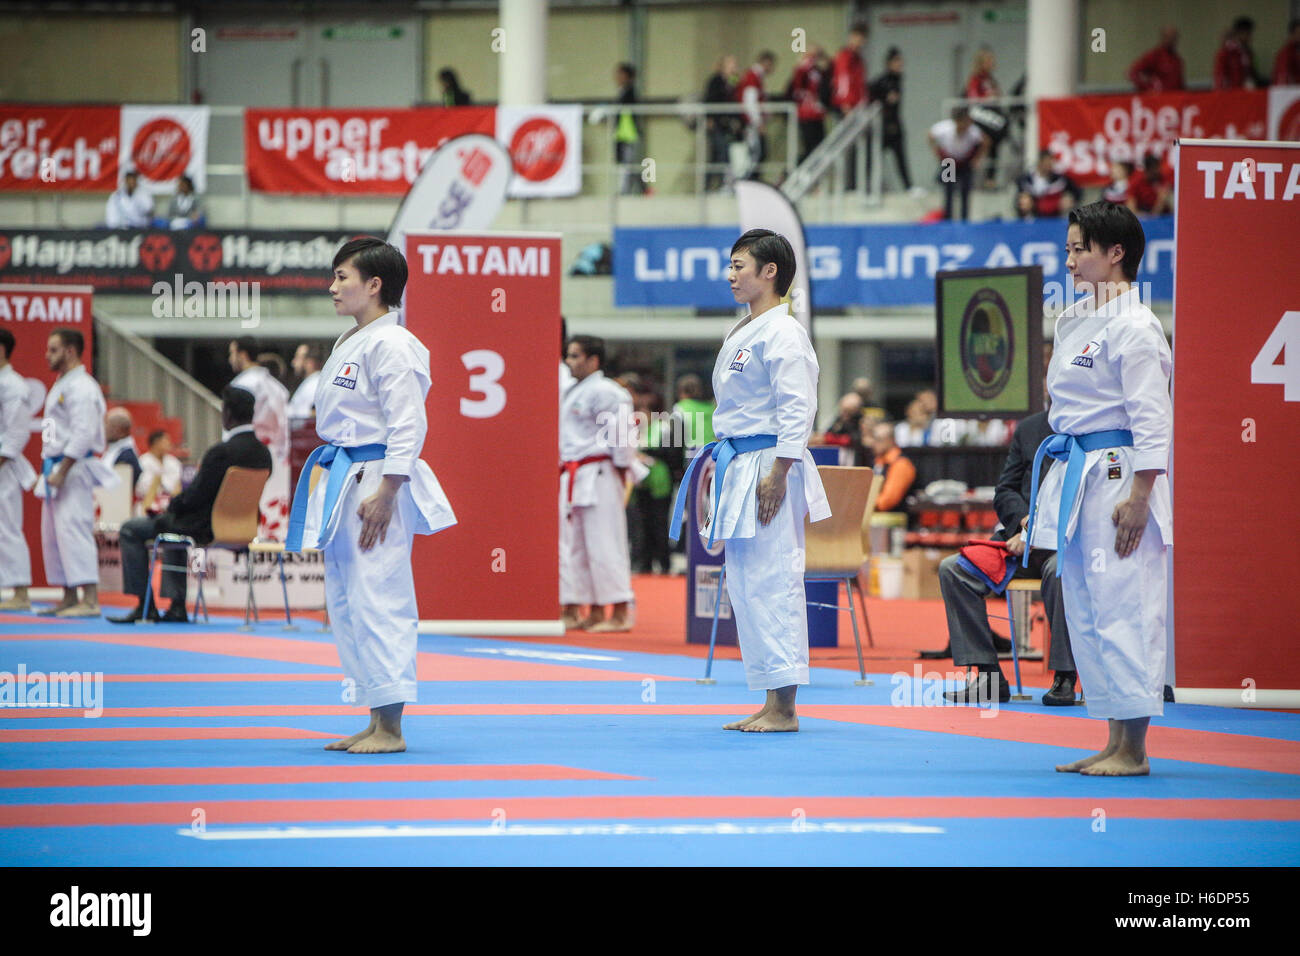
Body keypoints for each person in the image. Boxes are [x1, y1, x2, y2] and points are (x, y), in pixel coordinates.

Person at [286, 236, 456, 754]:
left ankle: (393, 728)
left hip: (375, 478)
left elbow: (409, 424)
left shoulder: (394, 344)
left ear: (374, 285)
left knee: (380, 596)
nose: (332, 287)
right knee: (347, 600)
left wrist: (388, 490)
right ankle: (374, 714)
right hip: (346, 476)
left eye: (342, 277)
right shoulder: (351, 340)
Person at [1025, 201, 1171, 776]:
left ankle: (1134, 749)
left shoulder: (1137, 326)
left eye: (1079, 248)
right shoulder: (1074, 320)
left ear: (1116, 254)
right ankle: (1113, 739)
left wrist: (1140, 496)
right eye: (1067, 248)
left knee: (1124, 605)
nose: (1070, 258)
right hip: (1077, 470)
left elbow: (1152, 419)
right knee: (1085, 606)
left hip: (1119, 472)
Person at [670, 228, 830, 732]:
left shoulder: (785, 333)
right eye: (731, 265)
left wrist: (781, 471)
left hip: (768, 466)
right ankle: (768, 698)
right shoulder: (744, 331)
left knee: (774, 580)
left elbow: (798, 408)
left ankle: (786, 707)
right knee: (744, 585)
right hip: (739, 465)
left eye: (740, 265)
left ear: (770, 272)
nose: (731, 275)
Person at [932, 409, 1078, 704]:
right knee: (954, 569)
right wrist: (1025, 523)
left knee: (1060, 572)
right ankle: (988, 676)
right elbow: (1005, 490)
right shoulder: (1030, 428)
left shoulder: (1094, 426)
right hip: (1018, 541)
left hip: (1069, 544)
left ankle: (1065, 676)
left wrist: (1041, 533)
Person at [111, 388, 272, 624]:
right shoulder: (264, 454)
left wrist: (171, 506)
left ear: (227, 414)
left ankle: (146, 606)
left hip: (205, 527)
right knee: (173, 526)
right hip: (244, 529)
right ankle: (175, 606)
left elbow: (194, 496)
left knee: (131, 528)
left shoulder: (222, 452)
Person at [37, 329, 118, 617]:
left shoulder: (82, 387)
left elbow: (83, 434)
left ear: (71, 351)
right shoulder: (62, 384)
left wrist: (63, 469)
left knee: (74, 530)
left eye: (53, 349)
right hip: (56, 464)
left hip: (73, 466)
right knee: (54, 535)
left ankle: (91, 599)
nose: (47, 355)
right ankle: (69, 595)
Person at [560, 335, 637, 632]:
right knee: (578, 547)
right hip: (575, 474)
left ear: (593, 360)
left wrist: (621, 467)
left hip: (601, 472)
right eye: (569, 356)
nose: (569, 362)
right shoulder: (572, 391)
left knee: (606, 544)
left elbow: (622, 434)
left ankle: (618, 612)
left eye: (575, 356)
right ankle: (590, 609)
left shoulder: (608, 392)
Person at [228, 336, 291, 540]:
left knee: (249, 521)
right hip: (278, 458)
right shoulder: (277, 387)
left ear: (242, 355)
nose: (230, 359)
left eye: (232, 353)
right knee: (275, 524)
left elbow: (232, 427)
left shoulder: (240, 386)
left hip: (246, 454)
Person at [0, 329, 37, 611]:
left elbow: (17, 432)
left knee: (7, 528)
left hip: (4, 466)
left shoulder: (13, 385)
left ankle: (21, 592)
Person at [868, 47, 920, 195]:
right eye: (897, 61)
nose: (900, 64)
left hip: (895, 124)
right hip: (885, 127)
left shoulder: (898, 79)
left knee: (900, 157)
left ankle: (908, 186)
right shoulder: (883, 81)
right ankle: (869, 186)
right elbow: (872, 93)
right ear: (889, 63)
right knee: (874, 158)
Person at [928, 107, 988, 222]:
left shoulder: (973, 131)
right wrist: (937, 152)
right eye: (962, 124)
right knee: (949, 191)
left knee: (965, 191)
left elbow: (985, 142)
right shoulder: (944, 128)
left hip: (965, 162)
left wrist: (977, 159)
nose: (964, 128)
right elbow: (930, 136)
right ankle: (948, 219)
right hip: (949, 162)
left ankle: (964, 219)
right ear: (956, 121)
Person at [832, 22, 869, 190]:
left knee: (857, 149)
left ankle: (855, 184)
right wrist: (846, 104)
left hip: (858, 108)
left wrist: (863, 103)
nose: (860, 43)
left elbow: (861, 84)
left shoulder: (859, 59)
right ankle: (846, 185)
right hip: (847, 108)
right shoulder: (845, 56)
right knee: (846, 149)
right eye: (857, 39)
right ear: (851, 37)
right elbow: (843, 80)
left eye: (862, 40)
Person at [965, 48, 1005, 188]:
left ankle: (989, 178)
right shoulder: (975, 79)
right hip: (980, 114)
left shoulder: (990, 80)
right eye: (988, 61)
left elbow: (998, 95)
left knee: (994, 140)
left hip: (990, 117)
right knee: (953, 159)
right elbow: (973, 97)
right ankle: (949, 180)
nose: (992, 63)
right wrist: (988, 97)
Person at [735, 51, 776, 181]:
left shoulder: (757, 77)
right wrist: (758, 122)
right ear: (766, 63)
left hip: (752, 122)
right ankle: (750, 181)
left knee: (759, 153)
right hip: (751, 124)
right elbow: (750, 102)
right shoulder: (752, 76)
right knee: (757, 153)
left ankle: (753, 180)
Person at [703, 54, 739, 191]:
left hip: (725, 123)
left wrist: (735, 121)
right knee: (722, 152)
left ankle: (710, 185)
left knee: (717, 156)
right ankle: (725, 183)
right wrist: (710, 118)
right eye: (731, 65)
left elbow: (733, 100)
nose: (734, 68)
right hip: (715, 123)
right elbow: (710, 100)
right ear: (723, 67)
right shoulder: (715, 81)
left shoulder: (732, 81)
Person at [788, 45, 829, 164]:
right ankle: (790, 173)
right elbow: (798, 85)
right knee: (810, 148)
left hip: (817, 113)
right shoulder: (804, 68)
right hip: (806, 114)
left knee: (819, 146)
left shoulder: (819, 70)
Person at [865, 422, 916, 513]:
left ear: (891, 440)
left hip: (894, 519)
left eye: (878, 439)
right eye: (873, 439)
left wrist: (862, 503)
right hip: (873, 512)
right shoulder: (877, 461)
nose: (873, 443)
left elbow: (887, 502)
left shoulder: (901, 464)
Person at [1015, 150, 1081, 219]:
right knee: (1025, 200)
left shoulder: (1060, 180)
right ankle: (1027, 221)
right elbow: (1017, 198)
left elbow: (1077, 192)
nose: (1050, 166)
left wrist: (1069, 198)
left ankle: (1064, 221)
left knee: (1066, 200)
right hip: (1034, 213)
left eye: (1051, 163)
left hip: (1055, 214)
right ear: (1040, 162)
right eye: (1047, 163)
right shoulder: (1026, 180)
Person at [613, 63, 645, 195]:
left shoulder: (630, 92)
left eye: (620, 74)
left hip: (627, 133)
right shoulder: (622, 92)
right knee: (629, 163)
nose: (616, 77)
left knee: (628, 163)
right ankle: (644, 189)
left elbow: (628, 114)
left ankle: (626, 191)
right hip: (622, 132)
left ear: (626, 76)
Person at [135, 428, 182, 517]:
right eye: (166, 440)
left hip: (169, 505)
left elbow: (176, 487)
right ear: (156, 442)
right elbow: (143, 488)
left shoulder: (173, 462)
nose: (169, 443)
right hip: (147, 505)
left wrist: (162, 482)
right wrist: (157, 481)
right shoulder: (143, 462)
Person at [1128, 27, 1185, 92]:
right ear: (1163, 38)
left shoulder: (1177, 60)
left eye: (1174, 38)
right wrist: (1147, 88)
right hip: (1159, 98)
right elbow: (1132, 73)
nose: (1171, 40)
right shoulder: (1155, 55)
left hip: (1175, 98)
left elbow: (1180, 83)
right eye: (1168, 37)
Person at [1214, 16, 1260, 89]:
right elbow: (1220, 76)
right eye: (1248, 33)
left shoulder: (1247, 52)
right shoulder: (1226, 52)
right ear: (1239, 33)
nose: (1251, 37)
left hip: (1245, 91)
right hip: (1232, 93)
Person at [101, 407, 141, 490]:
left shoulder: (127, 457)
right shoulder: (114, 450)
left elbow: (119, 490)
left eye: (107, 426)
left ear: (120, 430)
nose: (104, 431)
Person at [822, 392, 866, 466]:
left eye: (847, 411)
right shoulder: (839, 419)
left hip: (856, 460)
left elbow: (855, 439)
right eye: (842, 410)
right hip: (838, 457)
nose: (843, 414)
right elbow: (828, 433)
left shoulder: (861, 421)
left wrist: (832, 439)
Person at [288, 343, 324, 420]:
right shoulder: (310, 382)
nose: (293, 363)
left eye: (298, 358)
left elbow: (314, 414)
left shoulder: (315, 384)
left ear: (310, 362)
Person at [1272, 19, 1300, 85]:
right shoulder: (1285, 54)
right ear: (1292, 34)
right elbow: (1282, 76)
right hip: (1290, 90)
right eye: (1299, 33)